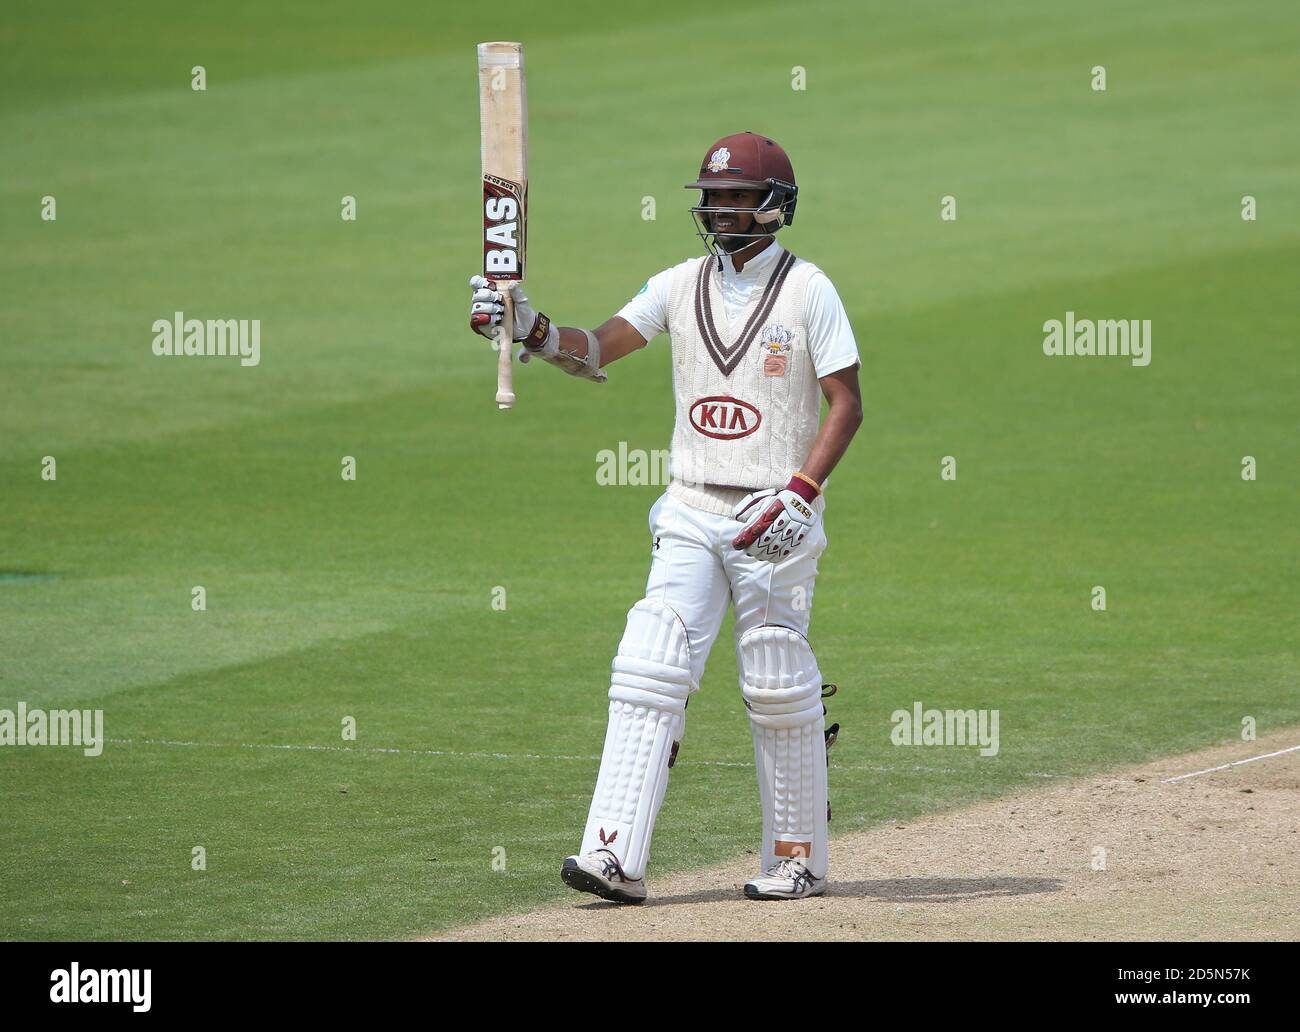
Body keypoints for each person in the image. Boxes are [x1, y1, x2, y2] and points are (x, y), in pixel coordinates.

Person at [468, 131, 862, 901]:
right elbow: (598, 348)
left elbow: (847, 404)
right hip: (688, 501)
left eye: (737, 197)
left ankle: (797, 857)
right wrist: (532, 330)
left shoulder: (810, 289)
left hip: (770, 516)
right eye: (712, 197)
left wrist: (802, 493)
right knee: (648, 664)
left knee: (776, 678)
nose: (720, 209)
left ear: (775, 206)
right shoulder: (678, 284)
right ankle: (613, 855)